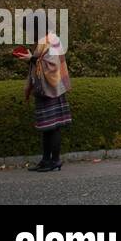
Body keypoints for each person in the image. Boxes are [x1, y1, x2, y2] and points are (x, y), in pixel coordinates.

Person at [21, 30, 72, 172]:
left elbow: (52, 65)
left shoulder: (52, 41)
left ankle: (55, 160)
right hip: (44, 89)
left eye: (28, 28)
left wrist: (31, 58)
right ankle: (45, 160)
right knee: (46, 128)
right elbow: (40, 63)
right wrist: (31, 58)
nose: (28, 33)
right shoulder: (43, 41)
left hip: (52, 90)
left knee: (54, 126)